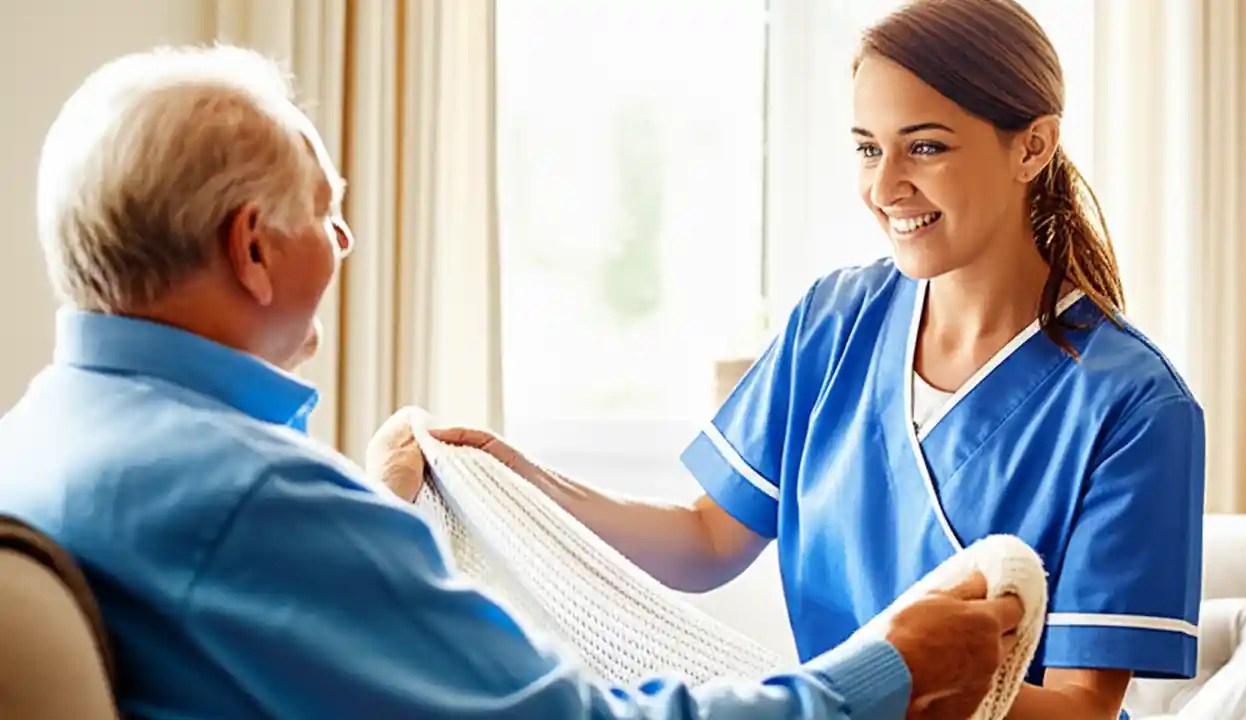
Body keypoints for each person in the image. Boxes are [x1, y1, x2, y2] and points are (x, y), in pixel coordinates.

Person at [0, 45, 1023, 719]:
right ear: (252, 249)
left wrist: (371, 512)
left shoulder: (43, 436)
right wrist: (884, 672)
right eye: (325, 212)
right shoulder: (257, 498)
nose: (345, 241)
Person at [430, 1, 1206, 718]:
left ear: (1032, 146)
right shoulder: (833, 323)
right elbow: (705, 542)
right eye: (868, 149)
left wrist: (892, 683)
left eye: (925, 147)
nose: (885, 186)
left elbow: (1080, 708)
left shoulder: (1138, 407)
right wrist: (521, 481)